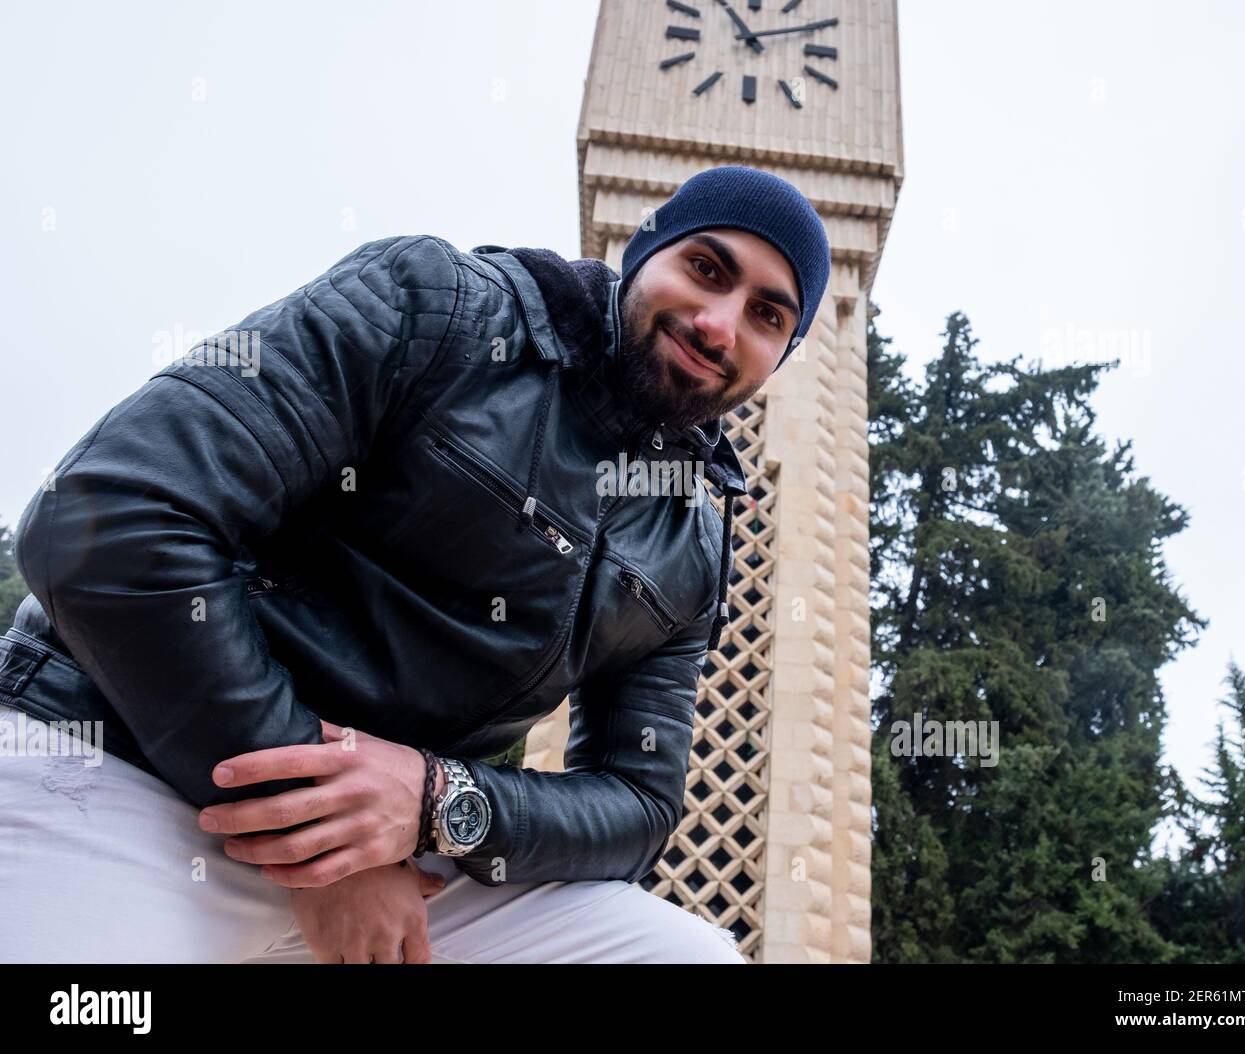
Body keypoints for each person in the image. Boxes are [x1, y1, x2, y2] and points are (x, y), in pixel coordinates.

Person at [0, 165, 830, 963]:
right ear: (642, 255)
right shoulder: (441, 309)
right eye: (706, 267)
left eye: (767, 315)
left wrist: (440, 802)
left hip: (397, 869)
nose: (719, 324)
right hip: (129, 771)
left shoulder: (691, 544)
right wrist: (327, 843)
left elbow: (638, 805)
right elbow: (104, 517)